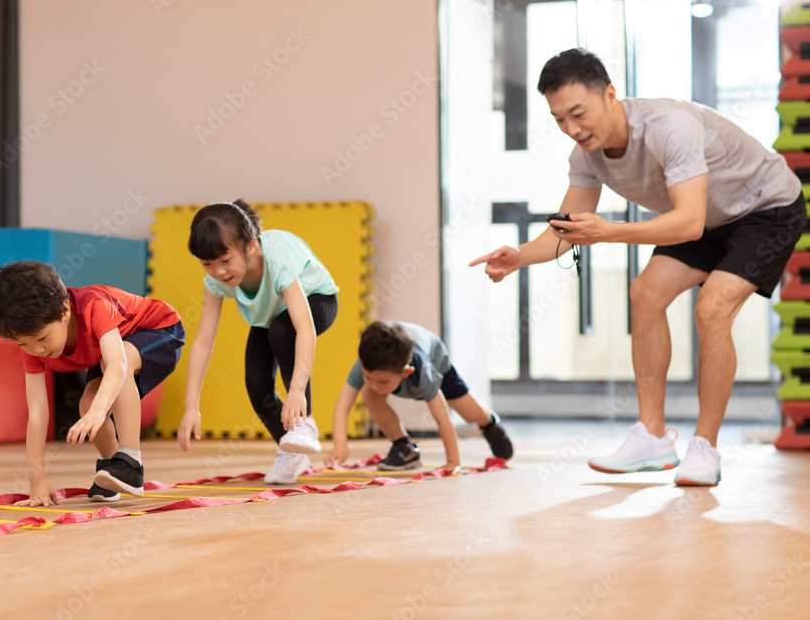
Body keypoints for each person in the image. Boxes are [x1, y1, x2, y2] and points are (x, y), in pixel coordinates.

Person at [471, 48, 805, 486]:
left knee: (712, 307)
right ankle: (652, 439)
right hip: (706, 216)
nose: (572, 129)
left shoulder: (671, 129)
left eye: (578, 113)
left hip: (767, 208)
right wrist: (520, 256)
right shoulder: (585, 156)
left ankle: (705, 449)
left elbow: (688, 222)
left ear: (610, 94)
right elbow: (565, 230)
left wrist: (607, 232)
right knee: (645, 294)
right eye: (559, 120)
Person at [0, 260, 184, 506]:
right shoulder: (32, 344)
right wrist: (37, 480)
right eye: (23, 344)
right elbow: (37, 412)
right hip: (114, 350)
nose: (36, 349)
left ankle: (131, 462)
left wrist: (100, 412)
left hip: (160, 329)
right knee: (87, 404)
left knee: (112, 371)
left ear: (65, 311)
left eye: (42, 338)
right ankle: (112, 468)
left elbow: (117, 365)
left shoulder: (93, 306)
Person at [176, 200, 339, 484]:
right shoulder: (214, 280)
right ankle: (291, 451)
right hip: (273, 316)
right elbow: (203, 341)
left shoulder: (277, 260)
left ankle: (305, 424)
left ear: (251, 245)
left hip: (317, 302)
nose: (218, 272)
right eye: (207, 264)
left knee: (282, 331)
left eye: (225, 261)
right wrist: (191, 405)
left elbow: (304, 329)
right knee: (256, 381)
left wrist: (298, 393)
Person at [325, 321, 513, 472]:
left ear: (405, 373)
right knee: (369, 393)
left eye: (382, 382)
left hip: (438, 361)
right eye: (367, 377)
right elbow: (344, 406)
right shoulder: (366, 363)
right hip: (399, 353)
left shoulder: (424, 372)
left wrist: (453, 461)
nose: (373, 384)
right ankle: (403, 446)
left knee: (471, 414)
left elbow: (442, 416)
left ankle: (489, 421)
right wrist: (339, 445)